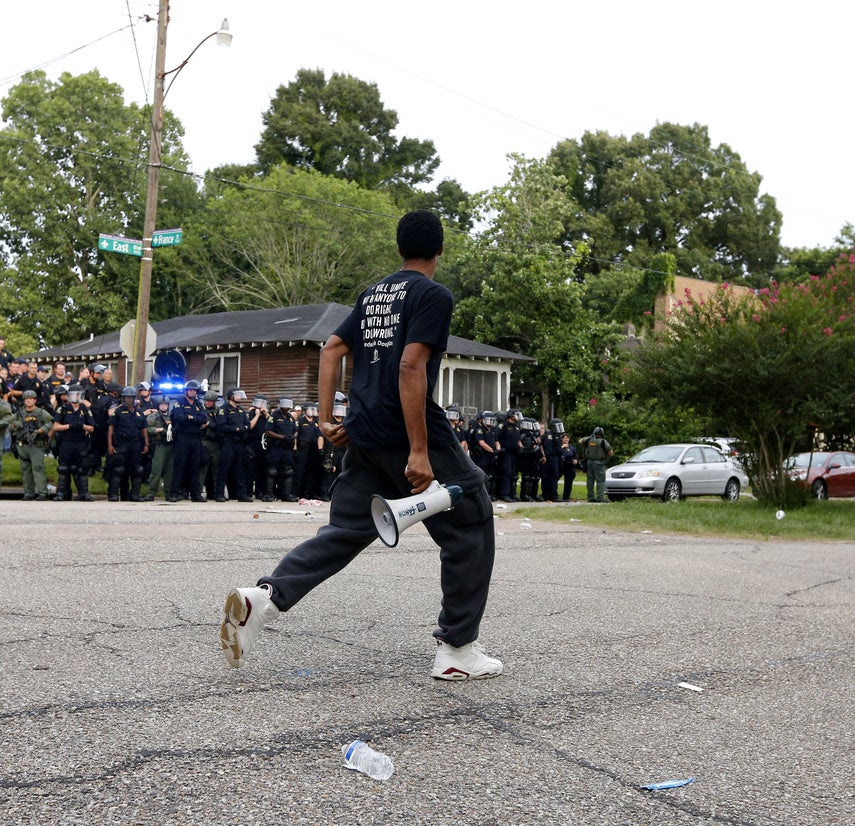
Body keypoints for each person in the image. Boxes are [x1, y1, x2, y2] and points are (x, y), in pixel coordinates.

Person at [220, 209, 501, 681]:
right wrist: (419, 450)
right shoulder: (433, 295)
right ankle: (457, 650)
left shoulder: (372, 295)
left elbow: (331, 349)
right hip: (408, 426)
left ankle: (264, 599)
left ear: (399, 248)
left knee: (347, 529)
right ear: (440, 249)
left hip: (363, 429)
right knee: (471, 521)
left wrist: (326, 418)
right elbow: (410, 367)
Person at [51, 384, 95, 502]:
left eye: (78, 395)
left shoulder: (85, 409)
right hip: (67, 442)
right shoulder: (63, 408)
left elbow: (92, 428)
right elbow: (55, 426)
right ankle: (61, 493)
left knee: (81, 469)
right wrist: (69, 426)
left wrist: (82, 426)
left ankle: (84, 493)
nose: (75, 397)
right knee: (64, 468)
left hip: (80, 443)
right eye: (73, 395)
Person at [106, 386, 148, 502]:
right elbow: (110, 428)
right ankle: (113, 494)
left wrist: (146, 444)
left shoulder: (139, 412)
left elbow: (144, 429)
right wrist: (110, 445)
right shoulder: (118, 411)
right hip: (121, 444)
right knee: (118, 470)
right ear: (123, 398)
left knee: (137, 470)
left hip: (135, 444)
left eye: (131, 397)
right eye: (127, 397)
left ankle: (134, 495)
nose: (129, 400)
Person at [168, 380, 207, 502]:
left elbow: (204, 419)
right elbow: (179, 418)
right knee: (179, 466)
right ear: (186, 391)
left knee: (195, 467)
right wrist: (194, 419)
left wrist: (190, 417)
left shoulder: (199, 404)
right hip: (182, 438)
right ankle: (174, 493)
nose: (192, 392)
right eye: (190, 390)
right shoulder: (179, 403)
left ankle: (195, 494)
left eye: (194, 390)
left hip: (195, 439)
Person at [13, 390, 54, 501]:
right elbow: (10, 422)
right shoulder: (20, 413)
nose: (29, 401)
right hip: (23, 445)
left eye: (31, 399)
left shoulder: (40, 412)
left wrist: (40, 430)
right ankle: (28, 493)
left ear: (35, 400)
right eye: (26, 399)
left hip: (36, 444)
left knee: (38, 468)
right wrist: (16, 425)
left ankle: (42, 492)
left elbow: (50, 422)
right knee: (25, 470)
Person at [583, 426, 614, 503]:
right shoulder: (603, 442)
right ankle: (600, 498)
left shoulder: (589, 440)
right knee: (600, 481)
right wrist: (606, 458)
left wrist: (590, 437)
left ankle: (590, 497)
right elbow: (610, 453)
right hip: (599, 463)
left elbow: (580, 441)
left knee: (590, 480)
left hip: (590, 462)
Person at [559, 433, 579, 502]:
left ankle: (566, 497)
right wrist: (562, 447)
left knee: (568, 482)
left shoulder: (571, 447)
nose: (566, 439)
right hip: (561, 465)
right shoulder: (559, 446)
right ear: (562, 439)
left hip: (570, 465)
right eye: (565, 438)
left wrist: (575, 460)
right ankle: (552, 495)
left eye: (568, 438)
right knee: (555, 479)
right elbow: (557, 453)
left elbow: (575, 456)